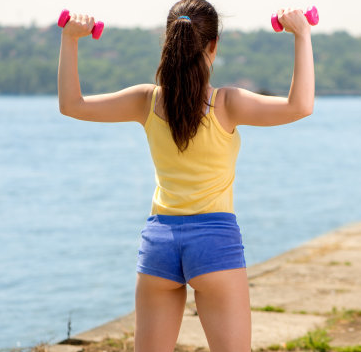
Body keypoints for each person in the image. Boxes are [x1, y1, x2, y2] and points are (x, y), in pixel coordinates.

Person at [58, 0, 314, 350]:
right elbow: (300, 106)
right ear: (213, 45)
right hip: (214, 243)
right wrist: (301, 34)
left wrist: (70, 39)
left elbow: (72, 105)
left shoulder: (146, 101)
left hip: (159, 243)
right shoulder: (226, 103)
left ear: (170, 40)